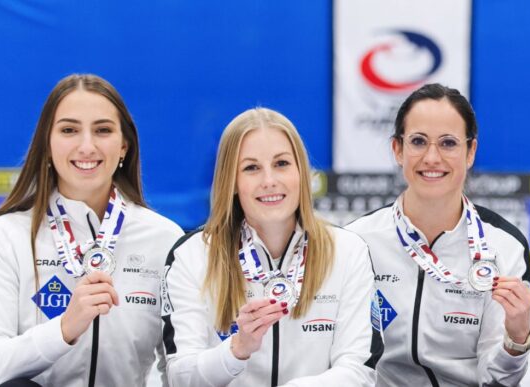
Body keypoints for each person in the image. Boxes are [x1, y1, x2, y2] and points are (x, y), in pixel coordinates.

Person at [0, 74, 184, 386]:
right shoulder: (5, 236)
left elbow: (179, 367)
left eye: (103, 130)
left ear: (124, 146)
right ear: (47, 144)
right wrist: (64, 328)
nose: (86, 146)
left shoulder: (165, 240)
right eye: (69, 130)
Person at [162, 108, 380, 386]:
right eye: (251, 168)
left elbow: (359, 369)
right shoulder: (192, 256)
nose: (269, 181)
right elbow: (180, 377)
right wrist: (236, 349)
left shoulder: (347, 251)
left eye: (281, 164)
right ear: (232, 181)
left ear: (302, 172)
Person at [345, 83, 530, 386]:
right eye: (418, 141)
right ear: (397, 149)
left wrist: (516, 339)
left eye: (448, 143)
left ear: (470, 151)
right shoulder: (355, 242)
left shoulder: (504, 246)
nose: (432, 158)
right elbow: (346, 361)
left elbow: (498, 380)